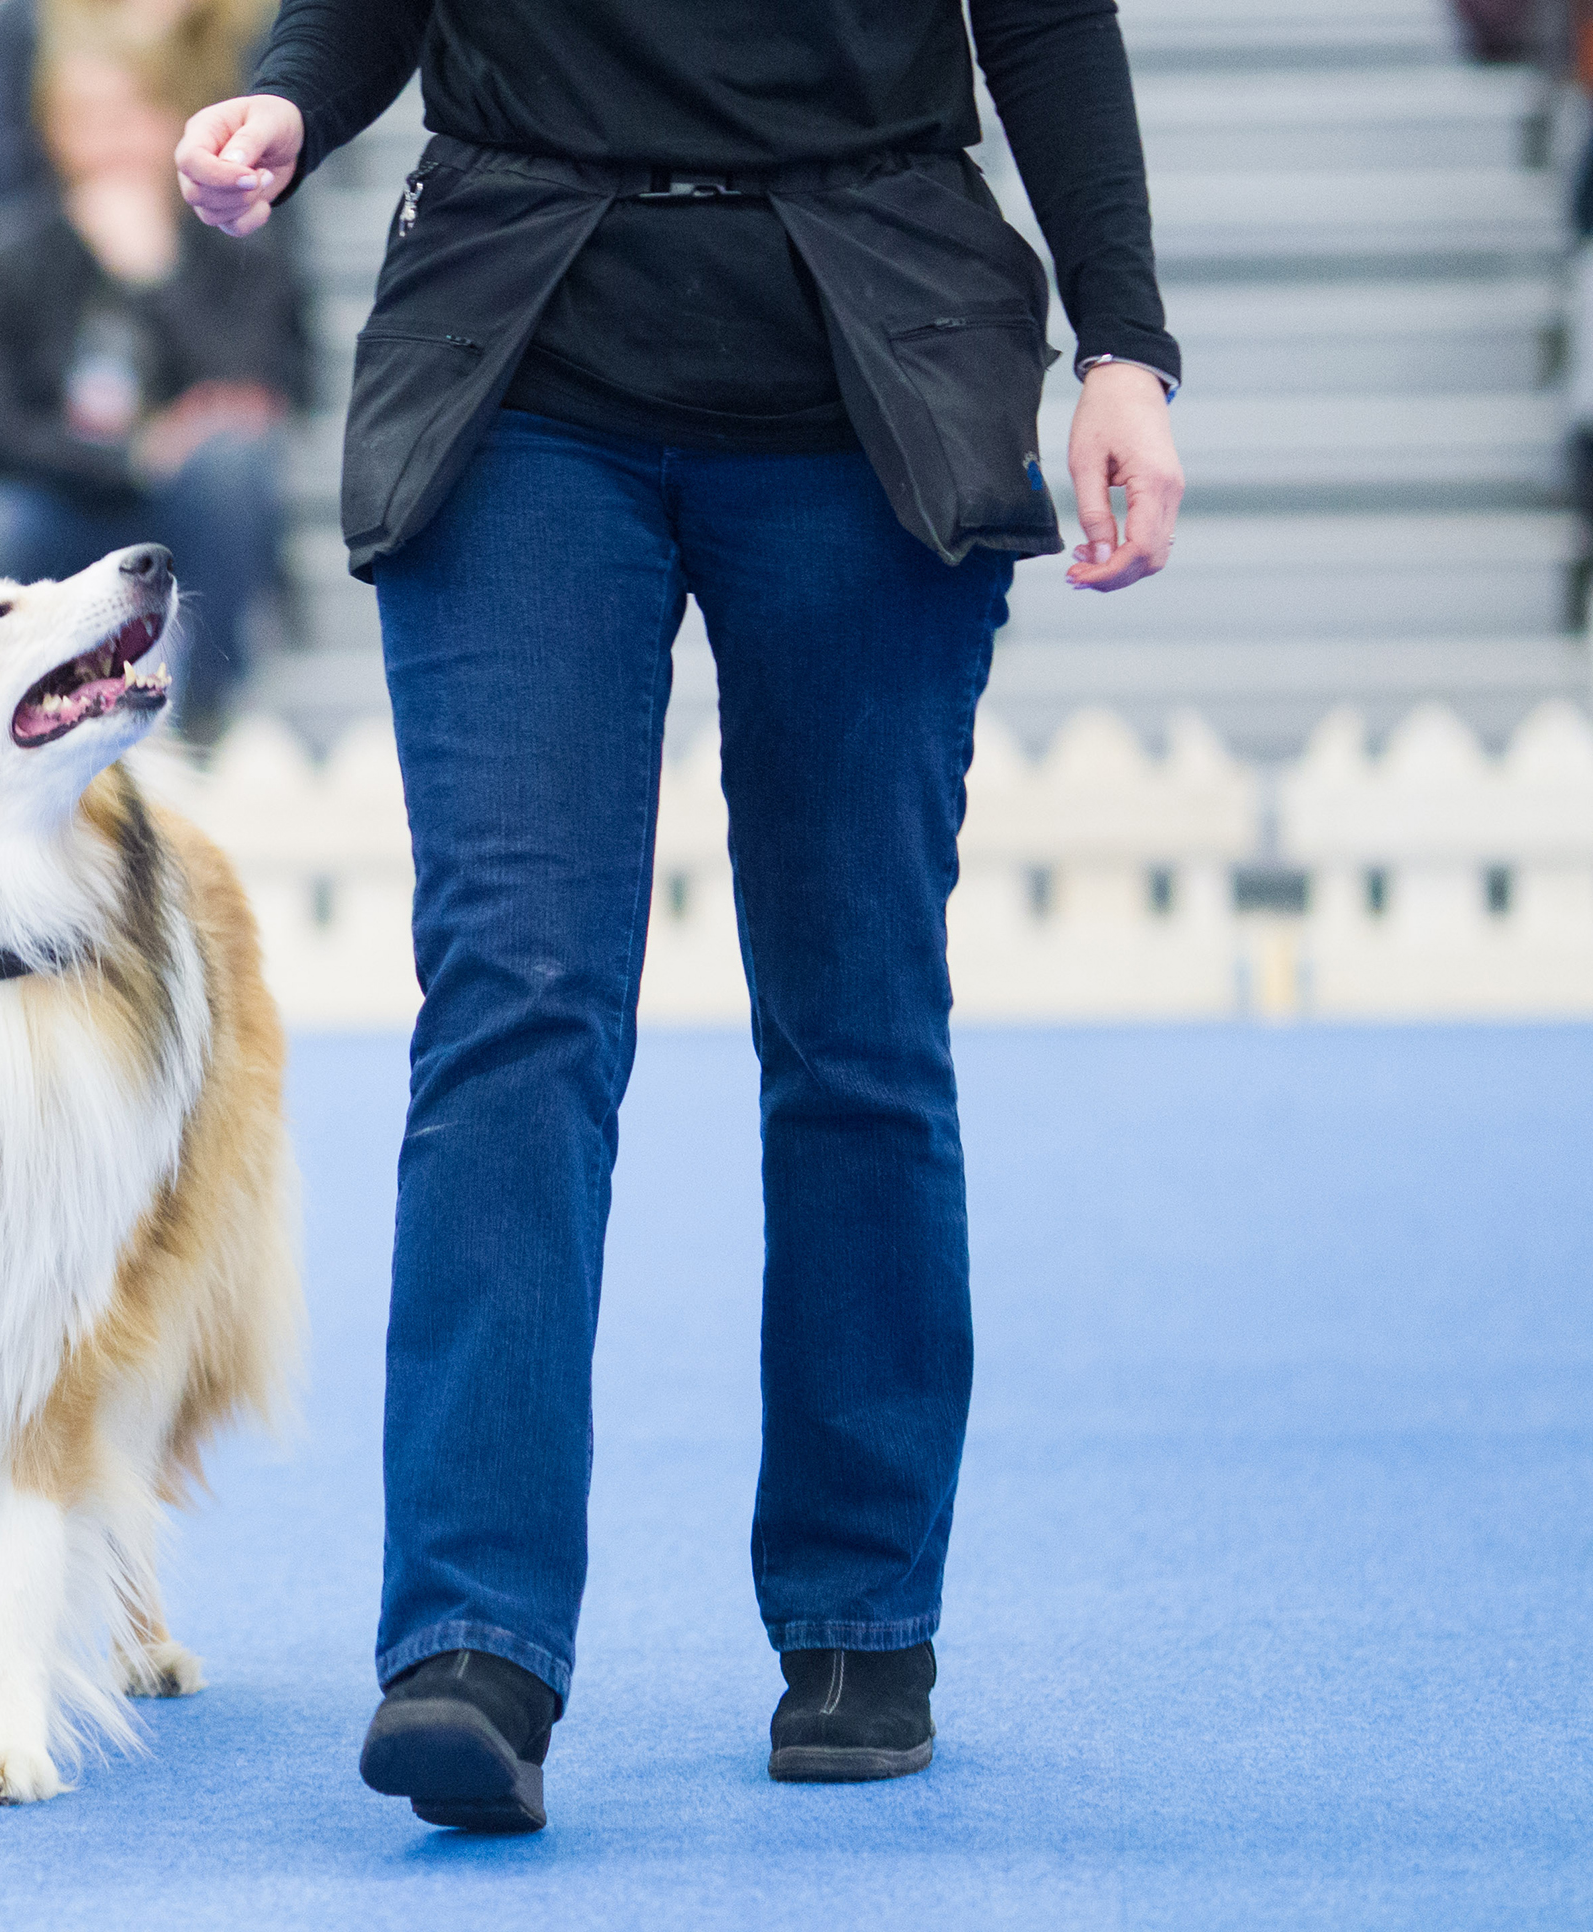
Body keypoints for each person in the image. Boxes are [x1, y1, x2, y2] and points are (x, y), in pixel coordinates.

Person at [178, 0, 1184, 1833]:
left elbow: (1044, 20)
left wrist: (1125, 346)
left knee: (859, 1017)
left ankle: (864, 1614)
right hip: (525, 370)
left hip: (867, 363)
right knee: (514, 1001)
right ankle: (468, 1645)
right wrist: (285, 99)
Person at [0, 27, 304, 741]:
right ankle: (4, 721)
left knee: (231, 465)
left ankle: (206, 715)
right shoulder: (10, 248)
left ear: (173, 120)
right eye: (86, 119)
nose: (111, 139)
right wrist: (127, 456)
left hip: (184, 504)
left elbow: (258, 388)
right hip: (62, 500)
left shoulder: (236, 239)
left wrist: (153, 275)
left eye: (131, 113)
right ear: (53, 133)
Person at [0, 0, 272, 211]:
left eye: (144, 110)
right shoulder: (23, 24)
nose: (118, 141)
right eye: (90, 118)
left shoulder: (255, 32)